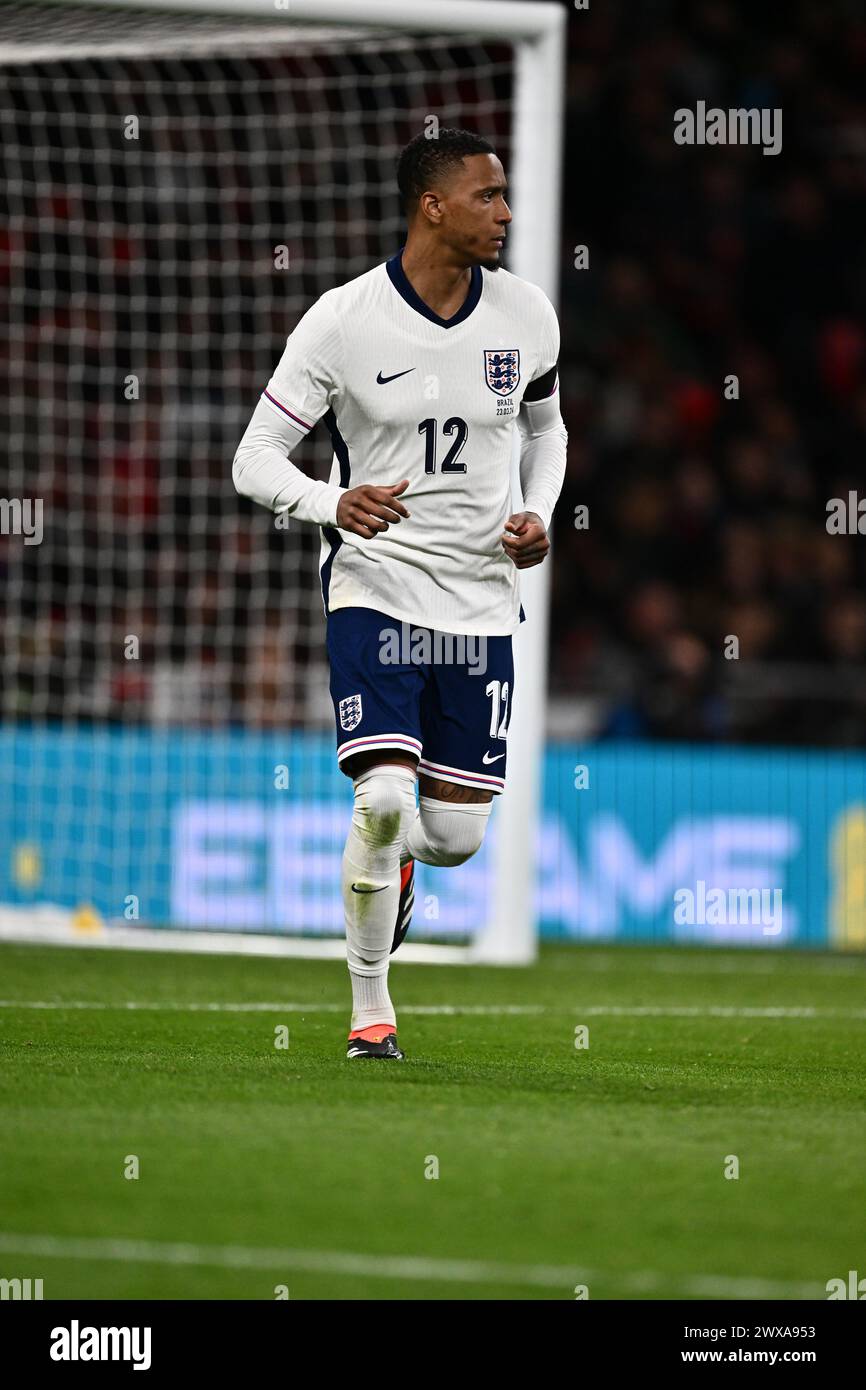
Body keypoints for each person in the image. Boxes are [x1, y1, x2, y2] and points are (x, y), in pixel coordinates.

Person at [233, 128, 567, 1059]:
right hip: (376, 587)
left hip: (480, 602)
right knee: (382, 801)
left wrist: (538, 512)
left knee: (452, 837)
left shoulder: (527, 315)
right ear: (433, 206)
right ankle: (369, 1013)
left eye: (504, 196)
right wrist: (329, 501)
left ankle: (403, 876)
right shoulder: (343, 320)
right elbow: (252, 461)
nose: (504, 212)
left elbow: (549, 432)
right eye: (487, 196)